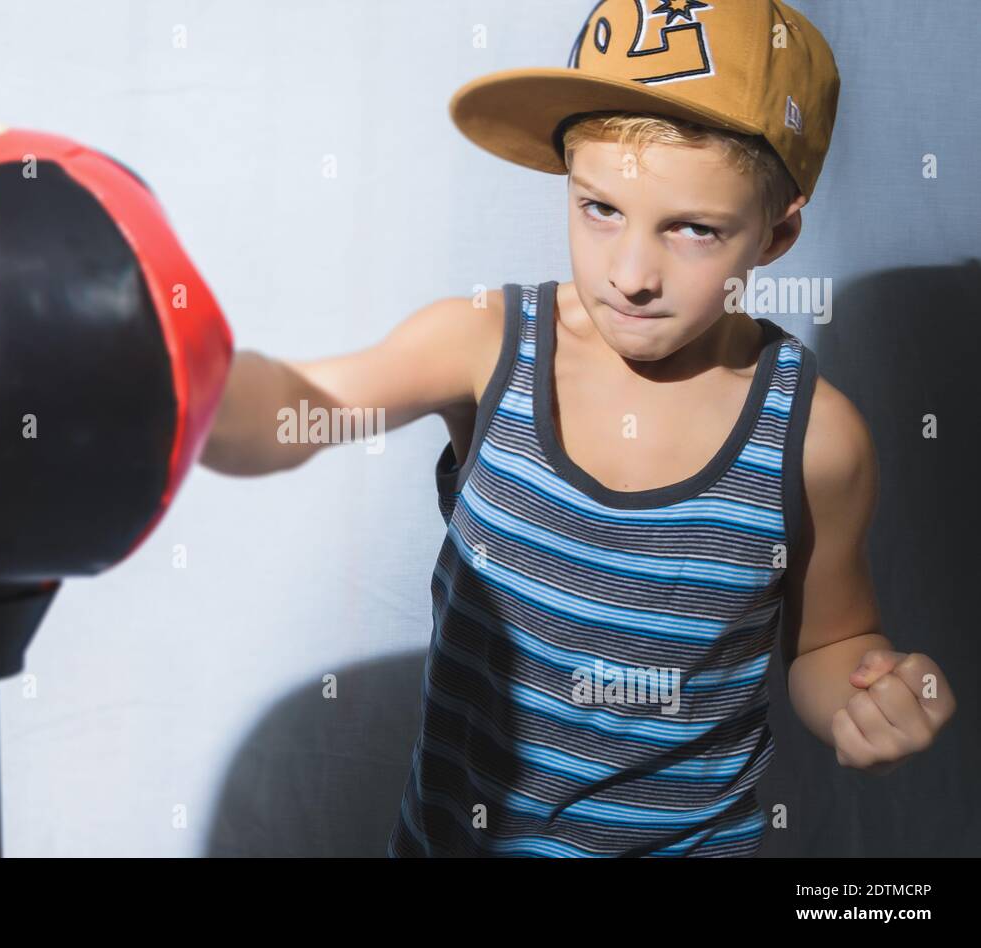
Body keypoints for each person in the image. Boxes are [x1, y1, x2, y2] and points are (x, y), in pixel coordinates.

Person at [200, 0, 956, 856]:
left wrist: (872, 693)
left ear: (777, 232)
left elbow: (832, 639)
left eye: (694, 229)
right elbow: (299, 409)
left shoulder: (816, 439)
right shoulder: (484, 345)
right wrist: (172, 380)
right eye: (600, 209)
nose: (631, 274)